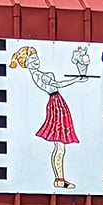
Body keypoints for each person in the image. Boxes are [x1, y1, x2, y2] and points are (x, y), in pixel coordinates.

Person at [9, 46, 89, 189]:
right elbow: (58, 84)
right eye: (32, 59)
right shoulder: (41, 76)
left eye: (36, 58)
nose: (36, 61)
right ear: (25, 63)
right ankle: (60, 179)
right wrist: (75, 80)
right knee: (60, 146)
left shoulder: (39, 75)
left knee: (59, 146)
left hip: (56, 103)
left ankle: (59, 179)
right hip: (56, 104)